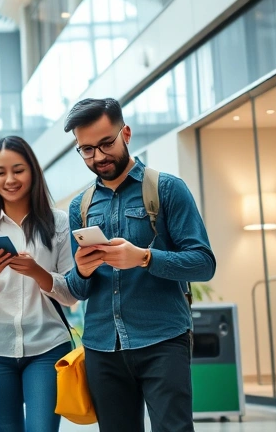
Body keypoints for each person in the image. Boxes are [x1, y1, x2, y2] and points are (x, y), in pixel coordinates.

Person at [63, 98, 215, 432]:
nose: (99, 157)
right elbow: (77, 290)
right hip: (103, 345)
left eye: (106, 143)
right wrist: (83, 271)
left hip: (162, 340)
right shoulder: (80, 206)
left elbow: (203, 264)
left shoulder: (167, 189)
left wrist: (145, 258)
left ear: (126, 133)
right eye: (87, 149)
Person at [0, 135, 76, 432]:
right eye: (0, 172)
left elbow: (72, 294)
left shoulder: (59, 222)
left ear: (33, 172)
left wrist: (37, 272)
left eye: (18, 170)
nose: (10, 179)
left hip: (48, 346)